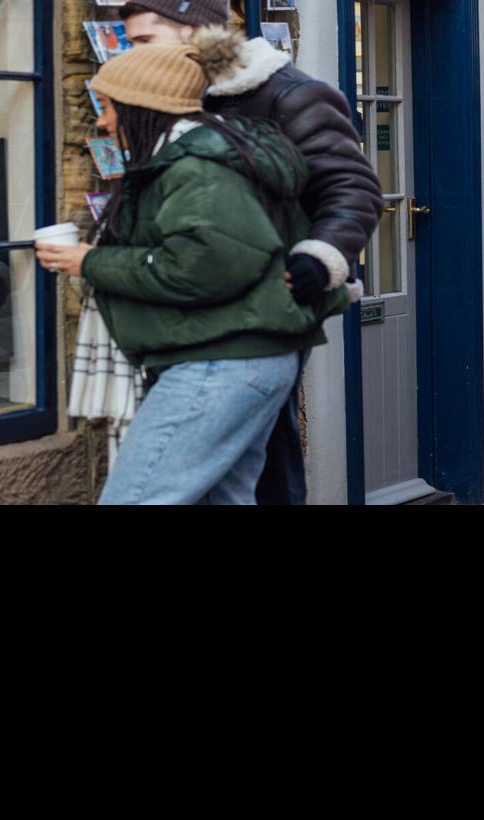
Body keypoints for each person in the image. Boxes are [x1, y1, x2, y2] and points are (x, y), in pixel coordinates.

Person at [34, 44, 344, 504]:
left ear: (141, 108)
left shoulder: (196, 167)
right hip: (241, 358)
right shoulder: (198, 156)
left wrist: (89, 262)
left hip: (219, 363)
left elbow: (202, 268)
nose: (103, 121)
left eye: (111, 107)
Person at [122, 1, 382, 504]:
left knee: (260, 462)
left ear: (193, 32)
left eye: (144, 41)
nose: (133, 54)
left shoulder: (287, 93)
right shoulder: (167, 95)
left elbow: (352, 187)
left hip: (266, 305)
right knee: (219, 470)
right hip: (190, 307)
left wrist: (317, 258)